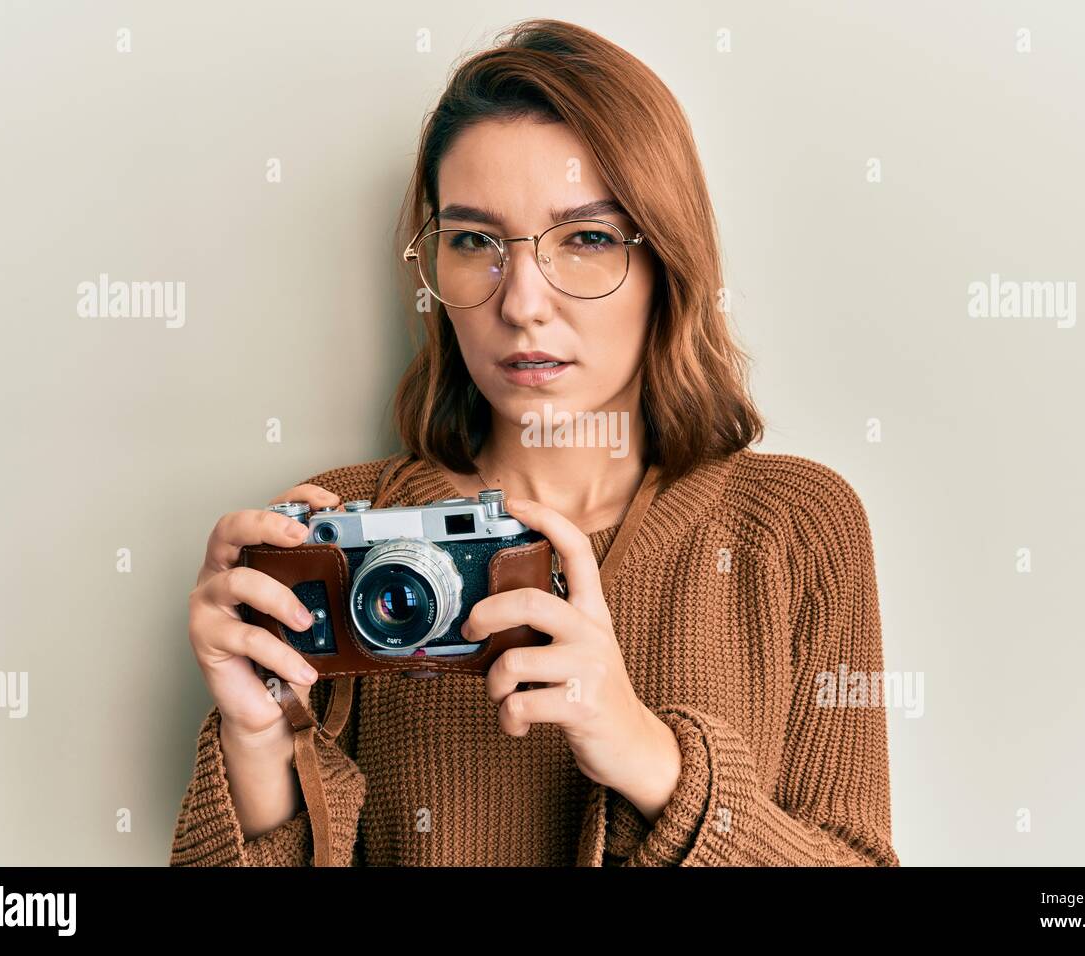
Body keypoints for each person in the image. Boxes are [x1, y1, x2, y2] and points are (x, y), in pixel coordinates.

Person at [170, 18, 900, 867]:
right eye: (474, 242)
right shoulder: (346, 539)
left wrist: (645, 753)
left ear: (667, 257)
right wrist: (256, 739)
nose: (521, 302)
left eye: (586, 239)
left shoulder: (796, 527)